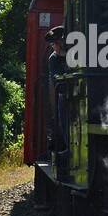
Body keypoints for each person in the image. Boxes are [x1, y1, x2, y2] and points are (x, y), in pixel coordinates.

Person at [45, 25, 67, 164]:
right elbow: (56, 77)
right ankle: (67, 145)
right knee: (63, 118)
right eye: (53, 44)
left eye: (55, 44)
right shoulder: (53, 59)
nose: (55, 47)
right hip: (64, 93)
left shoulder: (75, 52)